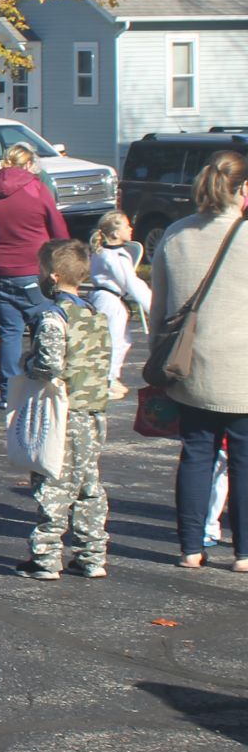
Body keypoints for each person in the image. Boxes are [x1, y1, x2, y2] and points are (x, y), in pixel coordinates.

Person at [152, 149, 248, 570]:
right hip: (242, 367)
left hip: (188, 364)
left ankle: (191, 547)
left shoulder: (176, 234)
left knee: (196, 453)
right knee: (245, 459)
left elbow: (159, 307)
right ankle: (245, 552)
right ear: (242, 189)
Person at [15, 240, 113, 580]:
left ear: (53, 276)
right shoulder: (94, 314)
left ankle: (46, 558)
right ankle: (92, 555)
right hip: (94, 411)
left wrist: (27, 364)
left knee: (54, 482)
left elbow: (50, 363)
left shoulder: (53, 316)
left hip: (63, 411)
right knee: (88, 485)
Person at [0, 143, 69, 406]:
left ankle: (8, 393)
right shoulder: (37, 189)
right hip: (34, 269)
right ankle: (42, 383)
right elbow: (58, 230)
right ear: (29, 164)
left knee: (10, 332)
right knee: (44, 324)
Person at [87, 211, 151, 399]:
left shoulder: (103, 252)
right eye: (126, 226)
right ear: (115, 233)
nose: (130, 229)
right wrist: (154, 308)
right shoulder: (115, 256)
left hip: (107, 299)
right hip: (110, 301)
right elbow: (131, 283)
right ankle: (107, 380)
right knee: (114, 341)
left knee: (121, 340)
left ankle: (110, 377)